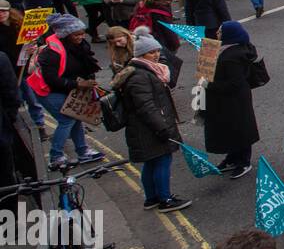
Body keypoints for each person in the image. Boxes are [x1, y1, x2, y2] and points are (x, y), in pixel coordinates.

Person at [110, 34, 188, 212]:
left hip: (144, 128)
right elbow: (146, 107)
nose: (156, 54)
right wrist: (162, 128)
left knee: (151, 162)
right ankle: (165, 199)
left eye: (157, 50)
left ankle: (151, 198)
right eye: (151, 52)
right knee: (162, 160)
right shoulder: (140, 76)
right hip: (149, 129)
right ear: (141, 54)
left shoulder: (142, 71)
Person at [28, 15, 105, 169]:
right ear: (65, 34)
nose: (81, 37)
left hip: (67, 86)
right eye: (76, 34)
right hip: (47, 90)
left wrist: (88, 80)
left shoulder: (80, 45)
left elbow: (86, 64)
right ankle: (55, 156)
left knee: (75, 117)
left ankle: (83, 152)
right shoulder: (51, 52)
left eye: (82, 33)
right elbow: (51, 79)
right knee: (67, 120)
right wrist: (77, 84)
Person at [204, 21, 266, 180]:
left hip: (233, 100)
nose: (217, 34)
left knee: (239, 130)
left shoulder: (231, 57)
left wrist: (209, 85)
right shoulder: (236, 49)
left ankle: (243, 162)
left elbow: (234, 83)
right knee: (231, 129)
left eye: (220, 31)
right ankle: (232, 157)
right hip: (231, 100)